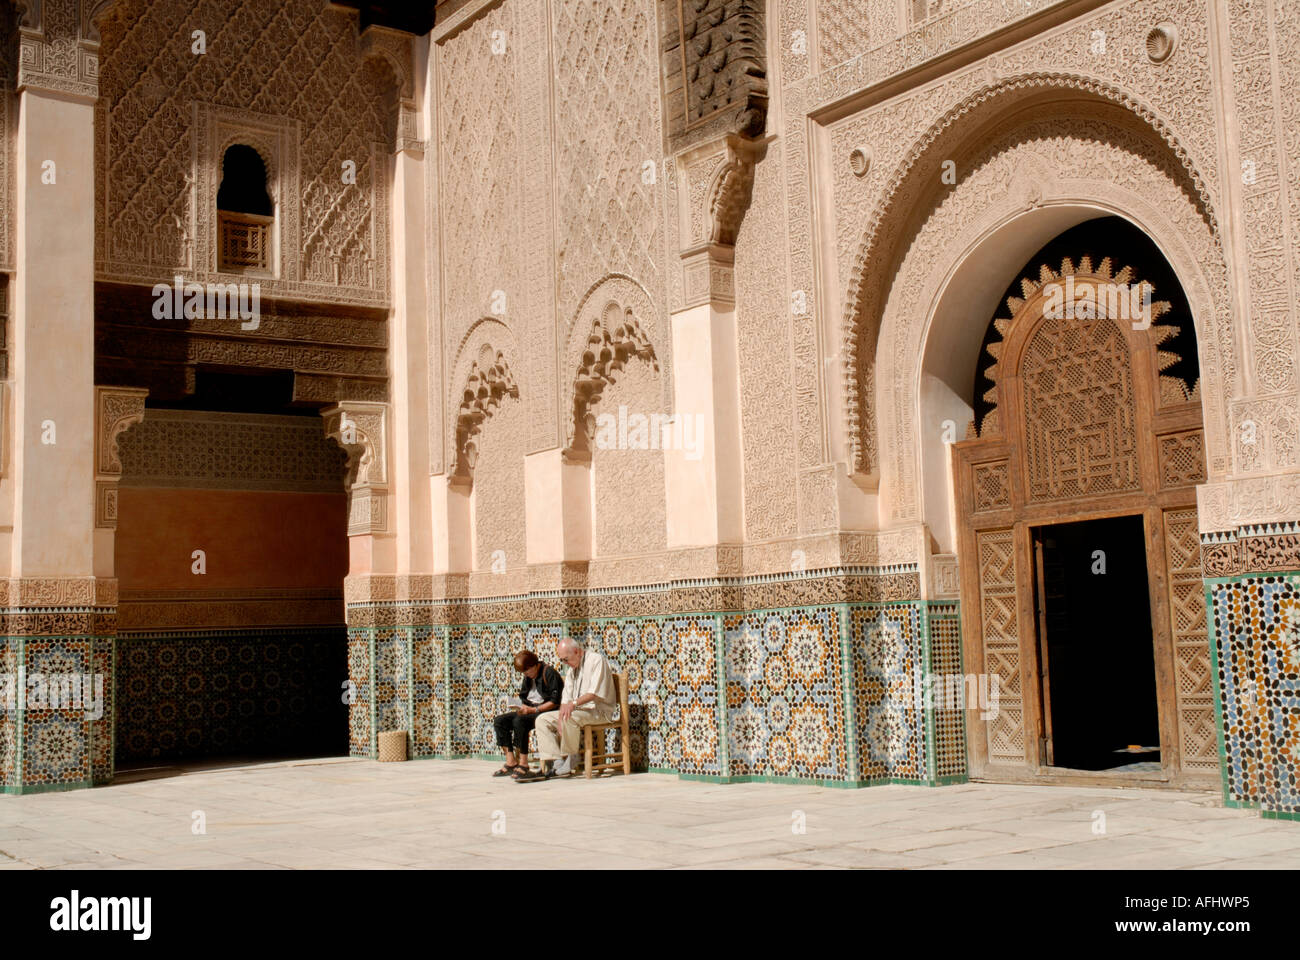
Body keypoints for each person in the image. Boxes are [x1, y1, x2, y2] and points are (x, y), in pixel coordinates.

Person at [516, 637, 616, 782]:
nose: (565, 663)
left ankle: (571, 757)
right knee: (542, 720)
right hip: (578, 711)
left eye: (566, 659)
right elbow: (565, 699)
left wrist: (572, 705)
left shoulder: (596, 661)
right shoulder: (571, 669)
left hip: (599, 711)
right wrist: (561, 713)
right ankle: (556, 762)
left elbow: (593, 693)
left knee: (569, 716)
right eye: (562, 660)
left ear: (576, 651)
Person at [492, 650, 563, 779]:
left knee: (520, 721)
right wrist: (520, 706)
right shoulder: (528, 677)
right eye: (524, 672)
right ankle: (511, 762)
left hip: (544, 712)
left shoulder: (549, 673)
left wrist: (533, 710)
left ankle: (523, 764)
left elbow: (555, 701)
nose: (526, 674)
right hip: (529, 710)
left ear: (534, 665)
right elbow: (524, 697)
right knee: (500, 721)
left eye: (527, 671)